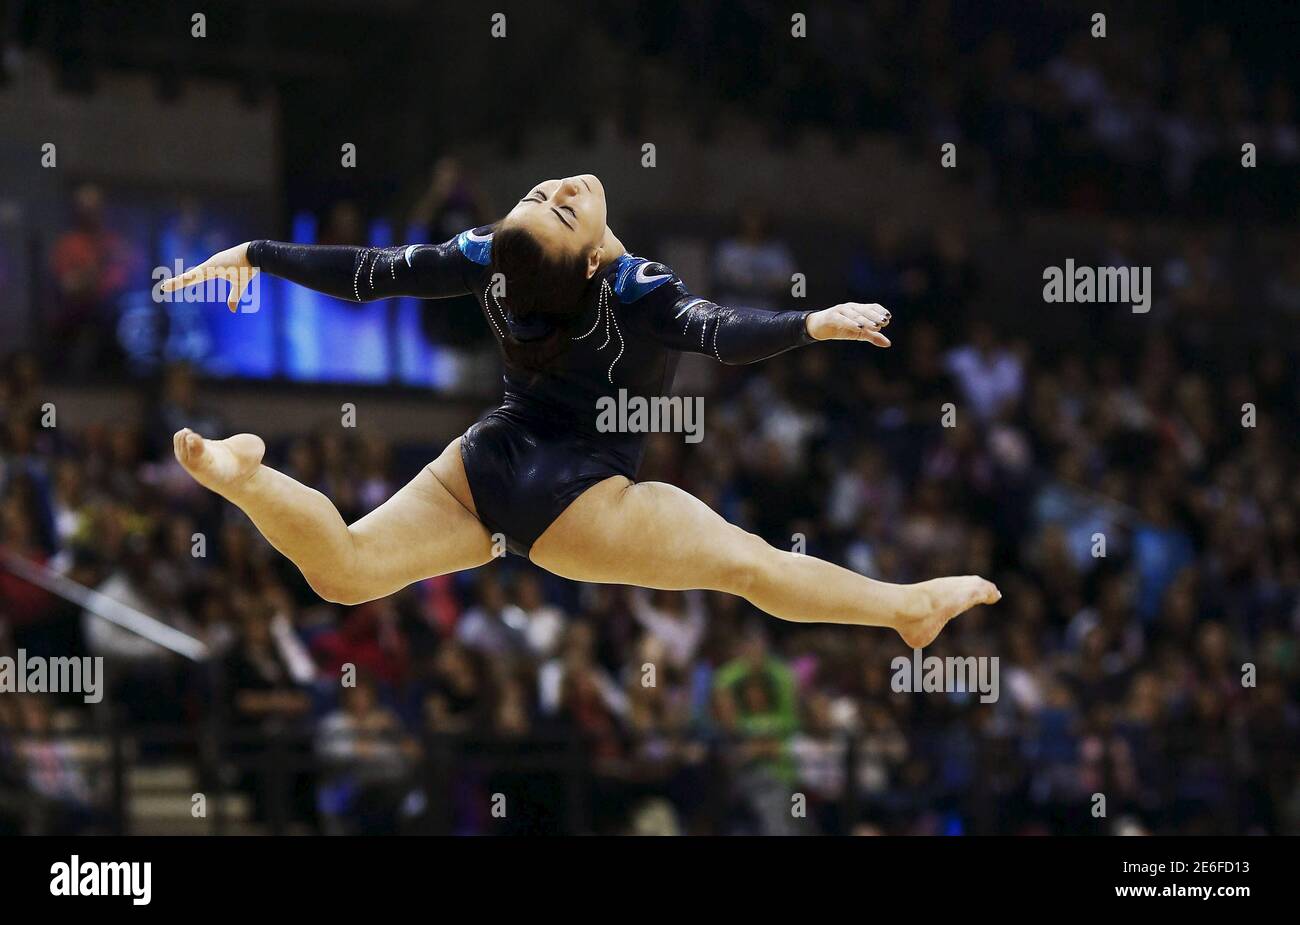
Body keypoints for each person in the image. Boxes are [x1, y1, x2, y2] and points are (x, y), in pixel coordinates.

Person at [160, 174, 998, 647]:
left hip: (486, 464)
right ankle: (902, 606)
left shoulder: (494, 256)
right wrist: (811, 323)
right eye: (553, 204)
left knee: (341, 568)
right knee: (750, 566)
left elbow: (375, 272)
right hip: (581, 498)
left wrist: (258, 253)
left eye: (542, 196)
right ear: (596, 255)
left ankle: (245, 476)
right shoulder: (630, 286)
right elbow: (716, 331)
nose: (560, 186)